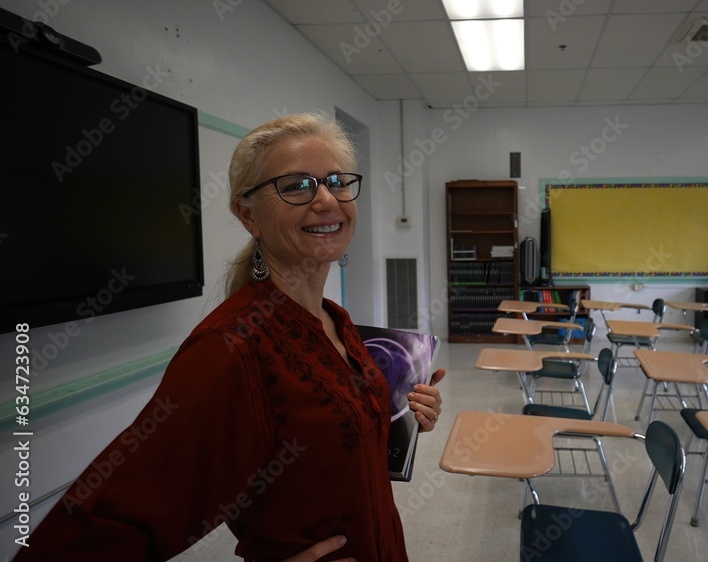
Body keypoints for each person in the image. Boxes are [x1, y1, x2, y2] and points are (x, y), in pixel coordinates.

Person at [14, 113, 445, 561]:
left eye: (336, 181)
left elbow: (330, 449)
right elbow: (83, 538)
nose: (326, 200)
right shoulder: (233, 348)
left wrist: (405, 415)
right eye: (296, 185)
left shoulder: (336, 321)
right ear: (248, 213)